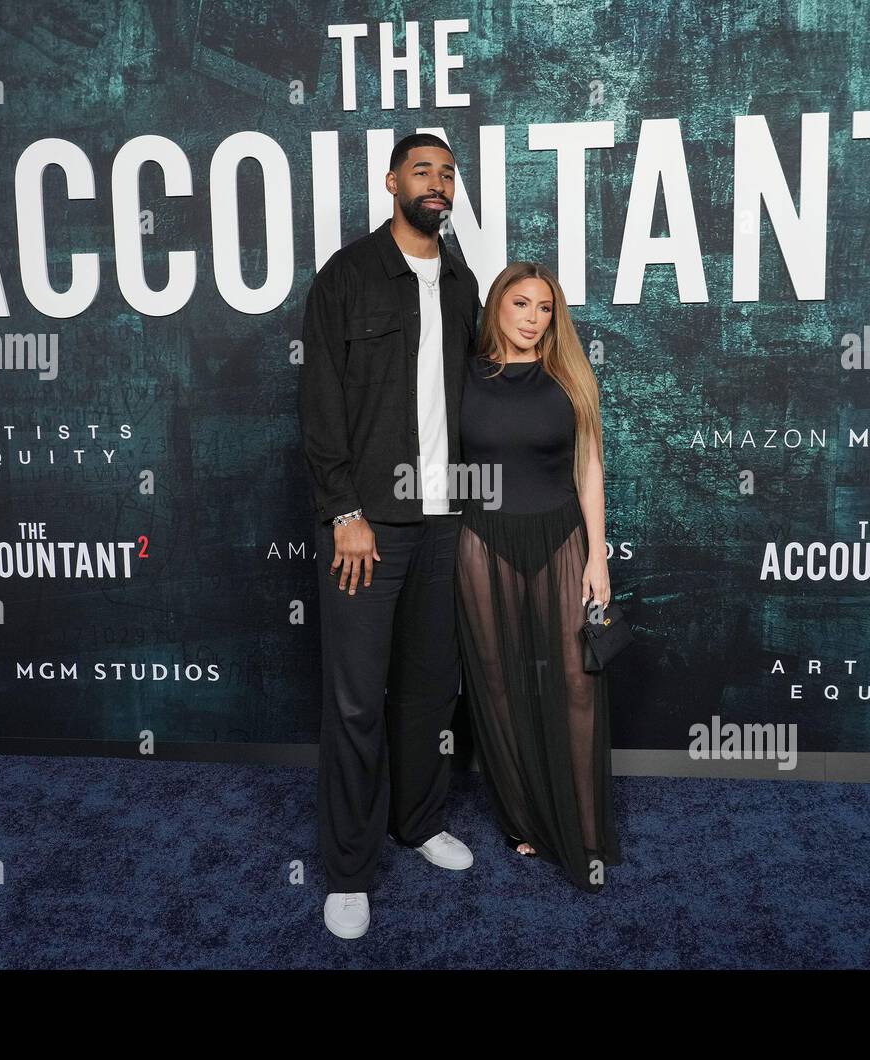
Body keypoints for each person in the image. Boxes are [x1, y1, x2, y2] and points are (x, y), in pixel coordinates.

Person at [297, 133, 482, 939]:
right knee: (356, 700)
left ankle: (419, 821)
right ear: (391, 183)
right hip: (367, 530)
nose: (437, 182)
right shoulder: (346, 278)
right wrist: (345, 513)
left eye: (447, 173)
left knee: (429, 691)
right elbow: (320, 407)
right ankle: (348, 868)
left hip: (447, 521)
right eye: (423, 170)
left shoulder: (464, 279)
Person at [455, 261, 623, 893]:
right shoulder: (462, 377)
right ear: (497, 306)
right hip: (481, 543)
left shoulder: (569, 376)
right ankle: (524, 818)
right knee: (498, 688)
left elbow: (589, 470)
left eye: (545, 308)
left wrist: (598, 556)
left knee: (578, 685)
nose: (532, 318)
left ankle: (582, 832)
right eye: (520, 304)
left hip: (560, 541)